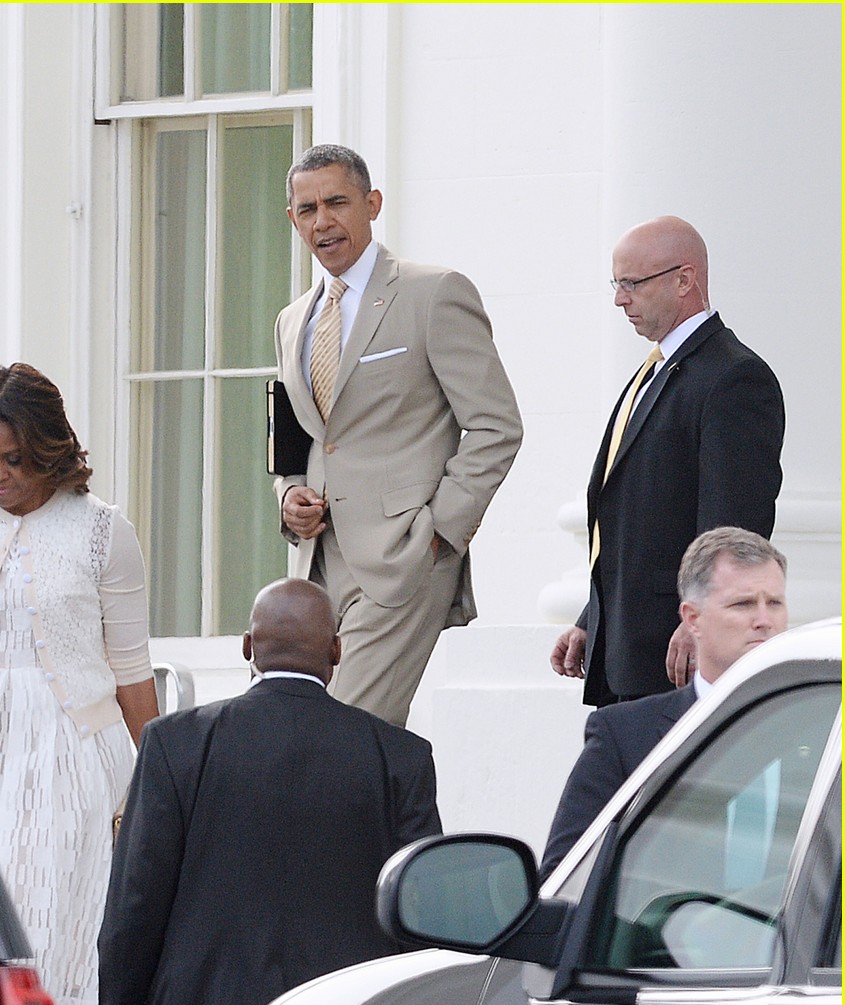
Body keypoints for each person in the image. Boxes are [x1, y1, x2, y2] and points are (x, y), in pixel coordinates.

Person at [95, 578, 442, 1005]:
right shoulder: (400, 756)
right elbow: (422, 920)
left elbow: (135, 906)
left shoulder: (175, 744)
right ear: (336, 651)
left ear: (247, 646)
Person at [0, 363, 159, 1005]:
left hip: (74, 754)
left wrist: (159, 779)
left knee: (59, 929)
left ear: (48, 449)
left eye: (14, 459)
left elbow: (132, 671)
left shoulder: (103, 531)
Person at [274, 143, 523, 727]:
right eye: (307, 209)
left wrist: (438, 533)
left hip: (402, 557)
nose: (322, 220)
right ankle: (405, 822)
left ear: (372, 204)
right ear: (293, 220)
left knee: (343, 736)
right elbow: (295, 440)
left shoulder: (434, 292)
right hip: (314, 569)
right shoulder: (292, 320)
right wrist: (288, 497)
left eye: (337, 202)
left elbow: (496, 425)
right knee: (309, 742)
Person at [550, 216, 784, 707]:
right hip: (628, 656)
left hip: (676, 662)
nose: (620, 299)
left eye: (632, 283)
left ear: (684, 279)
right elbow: (631, 523)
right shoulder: (654, 371)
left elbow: (734, 527)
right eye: (616, 283)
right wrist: (592, 619)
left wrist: (703, 621)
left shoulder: (734, 377)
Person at [540, 527, 788, 879]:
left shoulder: (821, 724)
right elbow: (565, 877)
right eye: (743, 604)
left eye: (774, 603)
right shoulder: (624, 737)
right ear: (692, 619)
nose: (764, 621)